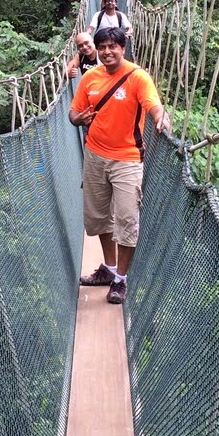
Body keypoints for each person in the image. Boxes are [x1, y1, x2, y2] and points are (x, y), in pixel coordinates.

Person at [68, 28, 167, 305]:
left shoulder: (138, 77)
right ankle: (109, 269)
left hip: (127, 159)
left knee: (127, 220)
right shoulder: (90, 77)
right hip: (94, 156)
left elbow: (153, 104)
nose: (107, 51)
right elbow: (73, 112)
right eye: (102, 47)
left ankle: (120, 280)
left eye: (113, 46)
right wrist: (78, 119)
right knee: (99, 217)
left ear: (123, 48)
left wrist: (161, 117)